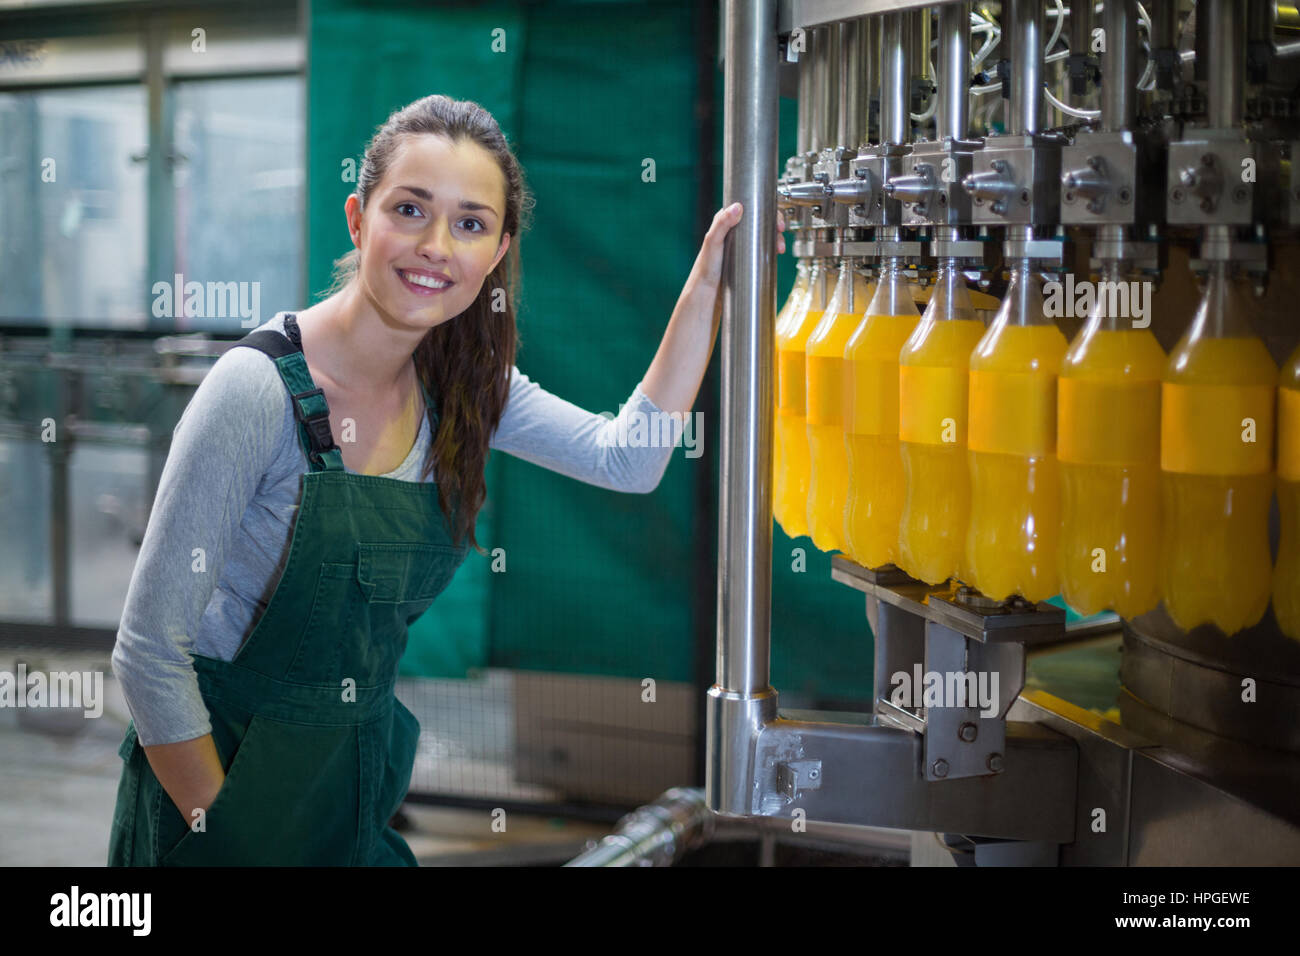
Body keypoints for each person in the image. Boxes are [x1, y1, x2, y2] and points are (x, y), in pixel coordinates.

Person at [107, 93, 785, 865]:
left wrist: (707, 288)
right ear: (359, 220)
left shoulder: (468, 386)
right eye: (410, 210)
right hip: (210, 793)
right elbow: (147, 652)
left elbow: (626, 459)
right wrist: (226, 835)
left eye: (470, 223)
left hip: (345, 797)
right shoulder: (256, 391)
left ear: (497, 253)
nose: (436, 246)